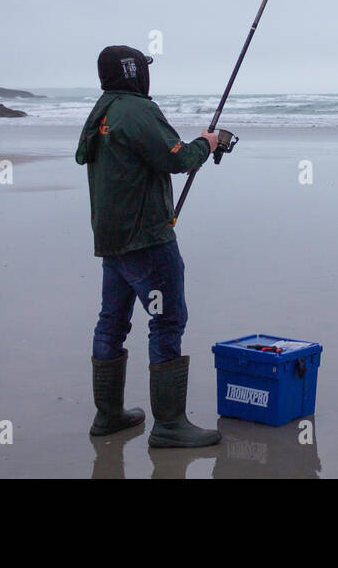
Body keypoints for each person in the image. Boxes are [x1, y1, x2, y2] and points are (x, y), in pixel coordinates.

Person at [75, 45, 222, 448]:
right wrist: (207, 144)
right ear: (134, 72)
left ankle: (109, 417)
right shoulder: (137, 111)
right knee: (168, 319)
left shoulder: (103, 110)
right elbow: (176, 158)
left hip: (113, 240)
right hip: (147, 240)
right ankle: (170, 425)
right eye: (142, 68)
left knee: (112, 322)